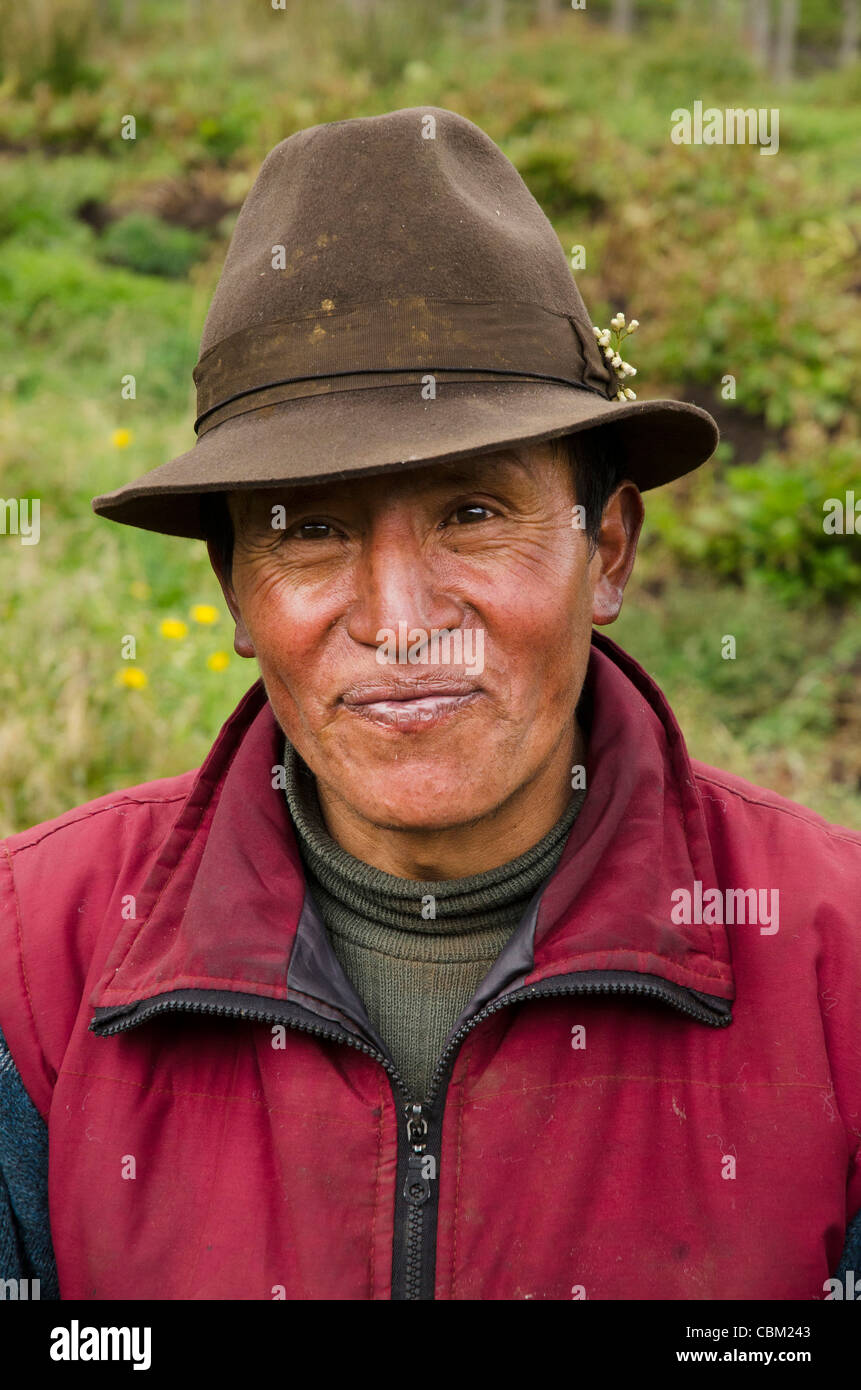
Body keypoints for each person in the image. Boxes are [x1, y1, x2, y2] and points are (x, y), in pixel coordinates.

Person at [1, 107, 859, 1301]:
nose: (400, 619)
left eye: (472, 514)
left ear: (605, 550)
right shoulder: (32, 959)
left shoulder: (835, 965)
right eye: (312, 531)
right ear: (237, 591)